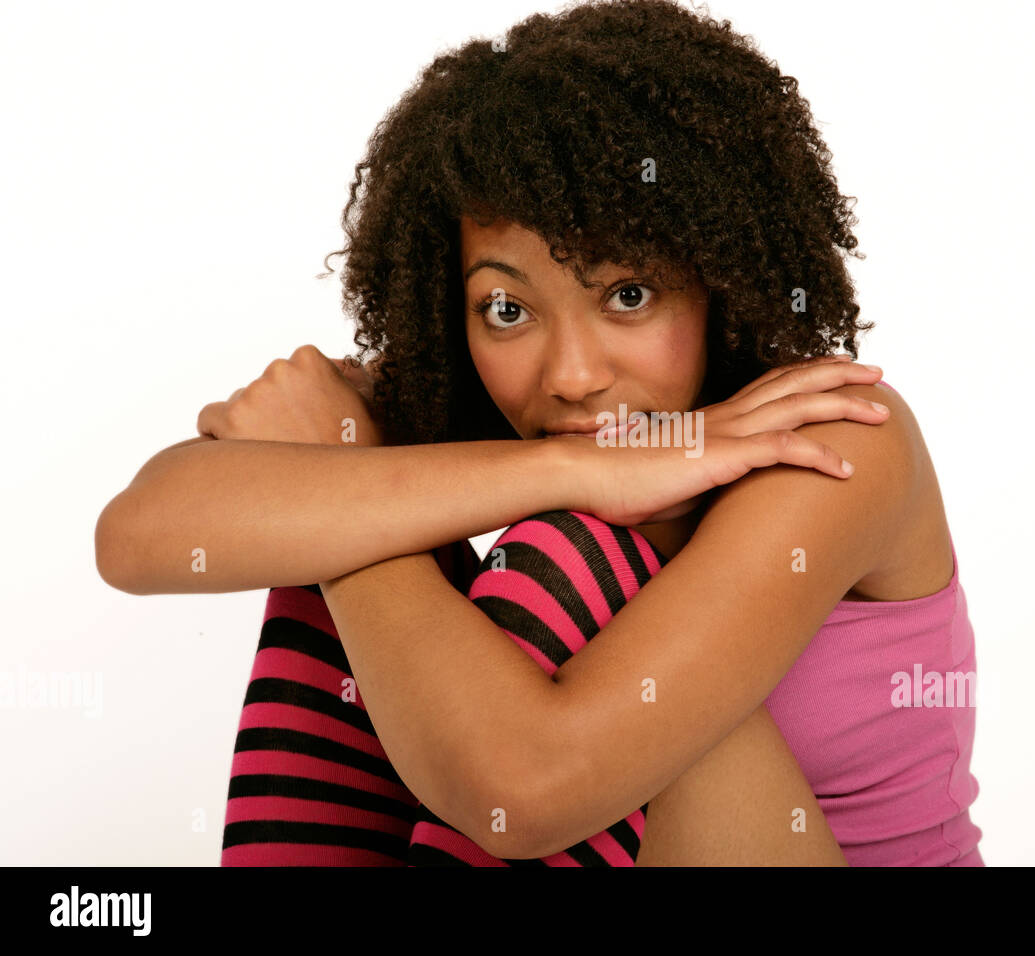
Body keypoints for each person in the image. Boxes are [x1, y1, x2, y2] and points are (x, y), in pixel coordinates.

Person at [95, 0, 982, 865]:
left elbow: (522, 793)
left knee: (515, 549)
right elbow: (133, 538)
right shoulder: (485, 416)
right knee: (340, 516)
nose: (570, 375)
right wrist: (573, 467)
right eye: (507, 308)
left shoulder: (836, 436)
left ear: (719, 279)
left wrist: (355, 532)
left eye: (628, 295)